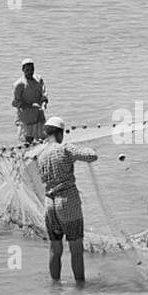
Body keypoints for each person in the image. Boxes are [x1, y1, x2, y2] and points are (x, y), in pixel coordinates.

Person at [28, 117, 97, 282]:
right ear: (60, 133)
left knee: (55, 248)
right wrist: (89, 148)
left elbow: (28, 158)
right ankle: (80, 287)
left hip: (49, 204)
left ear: (47, 132)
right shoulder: (64, 148)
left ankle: (55, 287)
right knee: (76, 249)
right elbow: (91, 156)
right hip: (67, 202)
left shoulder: (41, 153)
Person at [12, 58, 49, 142]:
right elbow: (16, 102)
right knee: (28, 140)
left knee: (43, 138)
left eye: (32, 69)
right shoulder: (19, 84)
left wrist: (44, 102)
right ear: (23, 70)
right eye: (27, 70)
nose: (30, 72)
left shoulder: (38, 79)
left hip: (39, 113)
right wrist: (31, 105)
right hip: (26, 115)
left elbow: (44, 92)